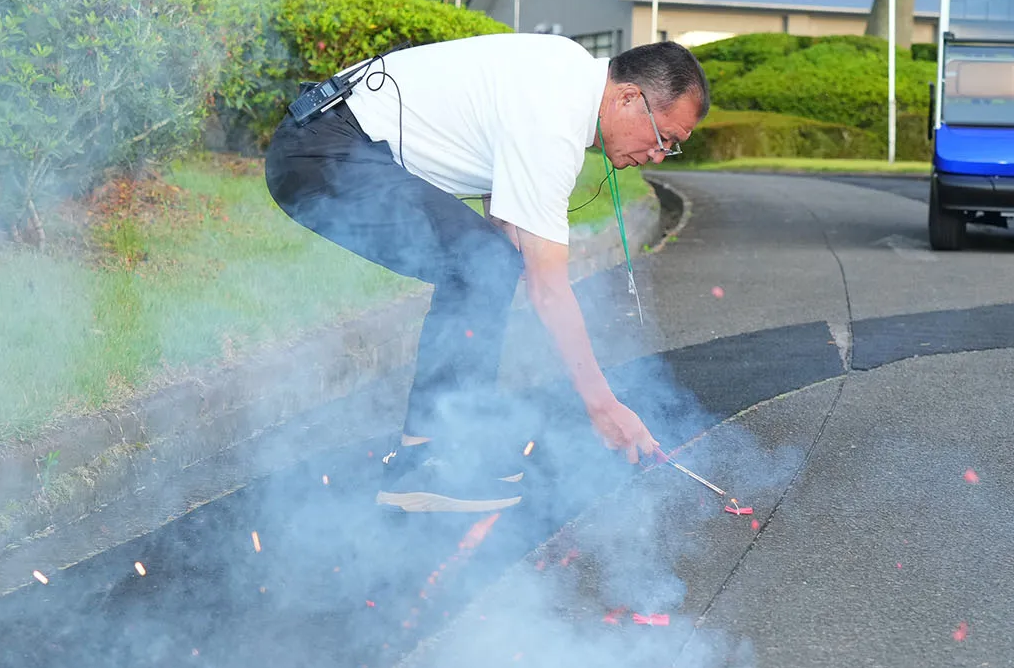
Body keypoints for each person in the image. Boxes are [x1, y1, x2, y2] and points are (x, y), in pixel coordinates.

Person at [264, 34, 710, 512]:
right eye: (666, 139)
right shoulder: (555, 118)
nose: (660, 156)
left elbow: (503, 203)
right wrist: (603, 405)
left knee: (489, 261)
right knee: (484, 265)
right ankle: (427, 459)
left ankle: (449, 445)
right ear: (628, 97)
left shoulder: (565, 73)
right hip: (322, 155)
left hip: (330, 141)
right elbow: (550, 291)